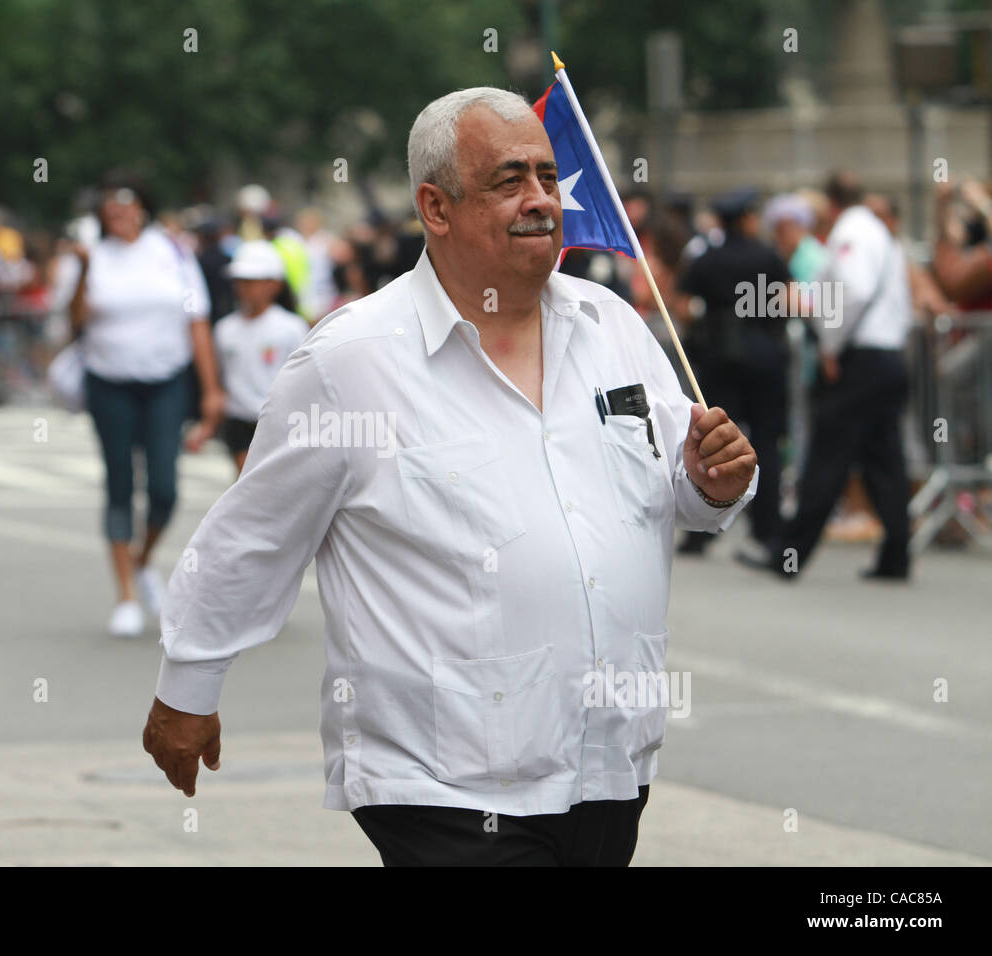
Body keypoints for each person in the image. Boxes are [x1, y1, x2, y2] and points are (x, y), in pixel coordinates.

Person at [142, 87, 757, 866]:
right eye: (509, 181)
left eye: (546, 175)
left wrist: (713, 482)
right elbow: (253, 535)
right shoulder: (352, 360)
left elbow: (682, 494)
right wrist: (187, 687)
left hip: (609, 760)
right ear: (436, 207)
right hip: (443, 779)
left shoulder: (613, 326)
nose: (541, 200)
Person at [69, 181, 223, 638]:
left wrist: (211, 389)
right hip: (109, 382)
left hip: (165, 382)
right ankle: (126, 595)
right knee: (119, 483)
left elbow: (196, 321)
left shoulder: (171, 251)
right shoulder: (90, 256)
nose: (118, 213)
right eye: (109, 207)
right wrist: (79, 273)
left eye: (126, 204)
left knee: (164, 488)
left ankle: (140, 562)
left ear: (142, 209)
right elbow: (74, 319)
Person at [743, 171, 913, 581]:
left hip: (863, 361)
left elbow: (852, 291)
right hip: (887, 357)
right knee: (883, 461)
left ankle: (789, 556)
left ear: (832, 204)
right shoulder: (877, 233)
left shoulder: (851, 231)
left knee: (826, 458)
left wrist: (831, 345)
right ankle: (896, 557)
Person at [675, 189, 791, 562]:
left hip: (721, 358)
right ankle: (767, 529)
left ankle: (701, 532)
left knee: (714, 440)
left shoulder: (708, 258)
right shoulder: (767, 255)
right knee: (767, 443)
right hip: (765, 357)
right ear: (745, 219)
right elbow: (787, 299)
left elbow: (683, 305)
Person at [204, 241, 309, 475]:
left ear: (273, 285)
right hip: (239, 421)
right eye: (239, 281)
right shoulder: (225, 329)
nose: (243, 288)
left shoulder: (291, 328)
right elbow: (221, 378)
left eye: (251, 282)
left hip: (280, 423)